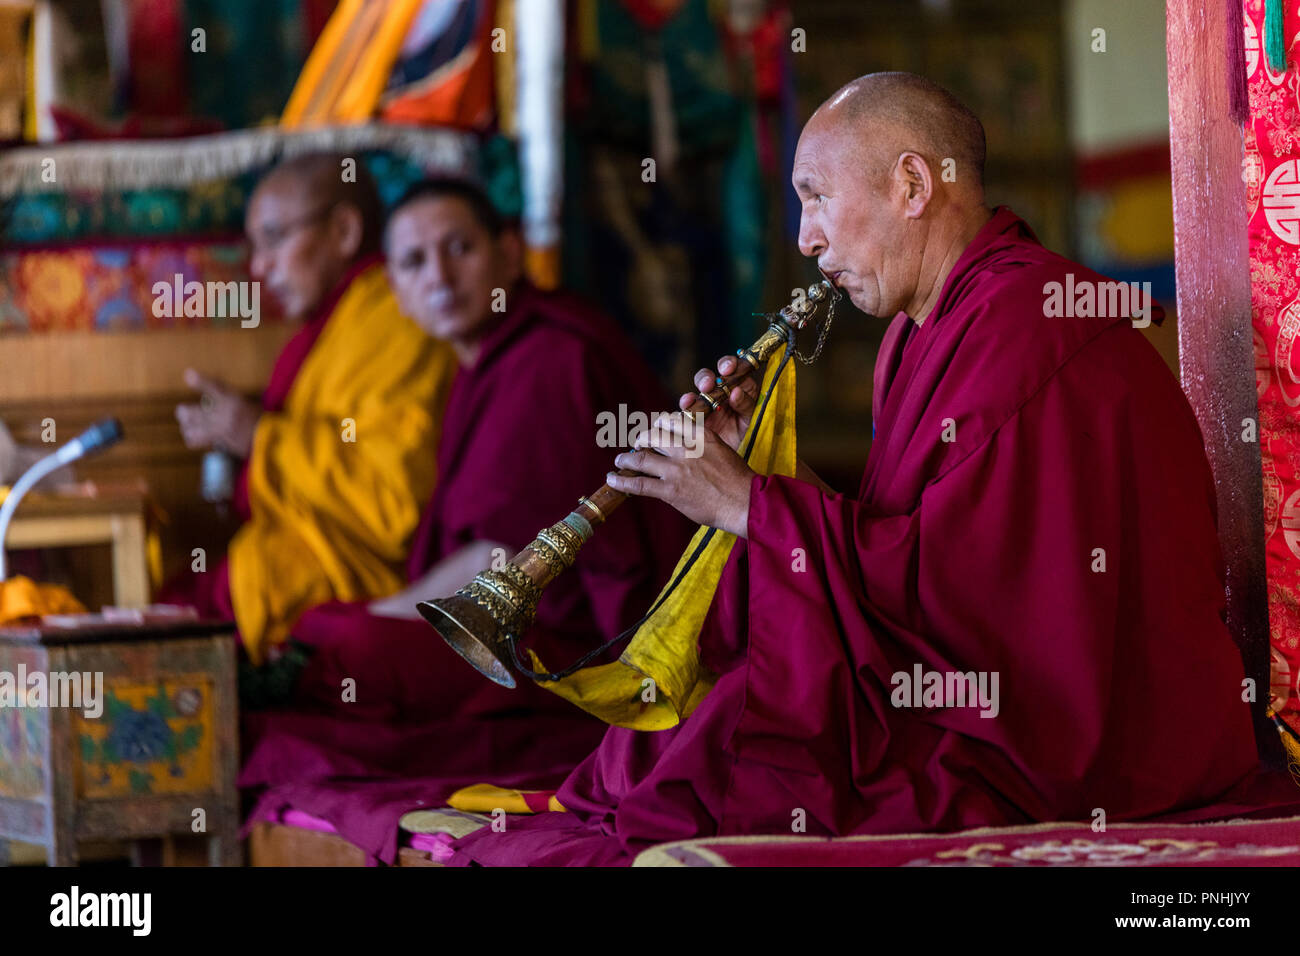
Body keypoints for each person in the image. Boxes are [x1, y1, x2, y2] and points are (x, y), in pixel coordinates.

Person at [444, 72, 1293, 867]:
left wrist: (755, 509)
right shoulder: (917, 336)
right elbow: (916, 543)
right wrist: (765, 476)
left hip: (1073, 730)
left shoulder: (1032, 328)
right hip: (978, 675)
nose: (806, 238)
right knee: (693, 723)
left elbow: (979, 605)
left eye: (816, 198)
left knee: (742, 747)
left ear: (912, 186)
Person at [238, 179, 693, 861]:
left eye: (460, 248)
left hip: (572, 648)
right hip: (515, 622)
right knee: (334, 640)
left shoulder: (549, 356)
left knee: (349, 652)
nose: (440, 276)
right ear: (394, 287)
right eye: (415, 262)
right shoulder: (484, 362)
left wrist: (382, 616)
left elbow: (501, 555)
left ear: (511, 254)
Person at [167, 153, 457, 667]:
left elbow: (390, 504)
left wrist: (259, 435)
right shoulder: (340, 324)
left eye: (274, 238)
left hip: (350, 583)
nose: (260, 267)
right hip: (292, 565)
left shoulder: (396, 317)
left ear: (344, 230)